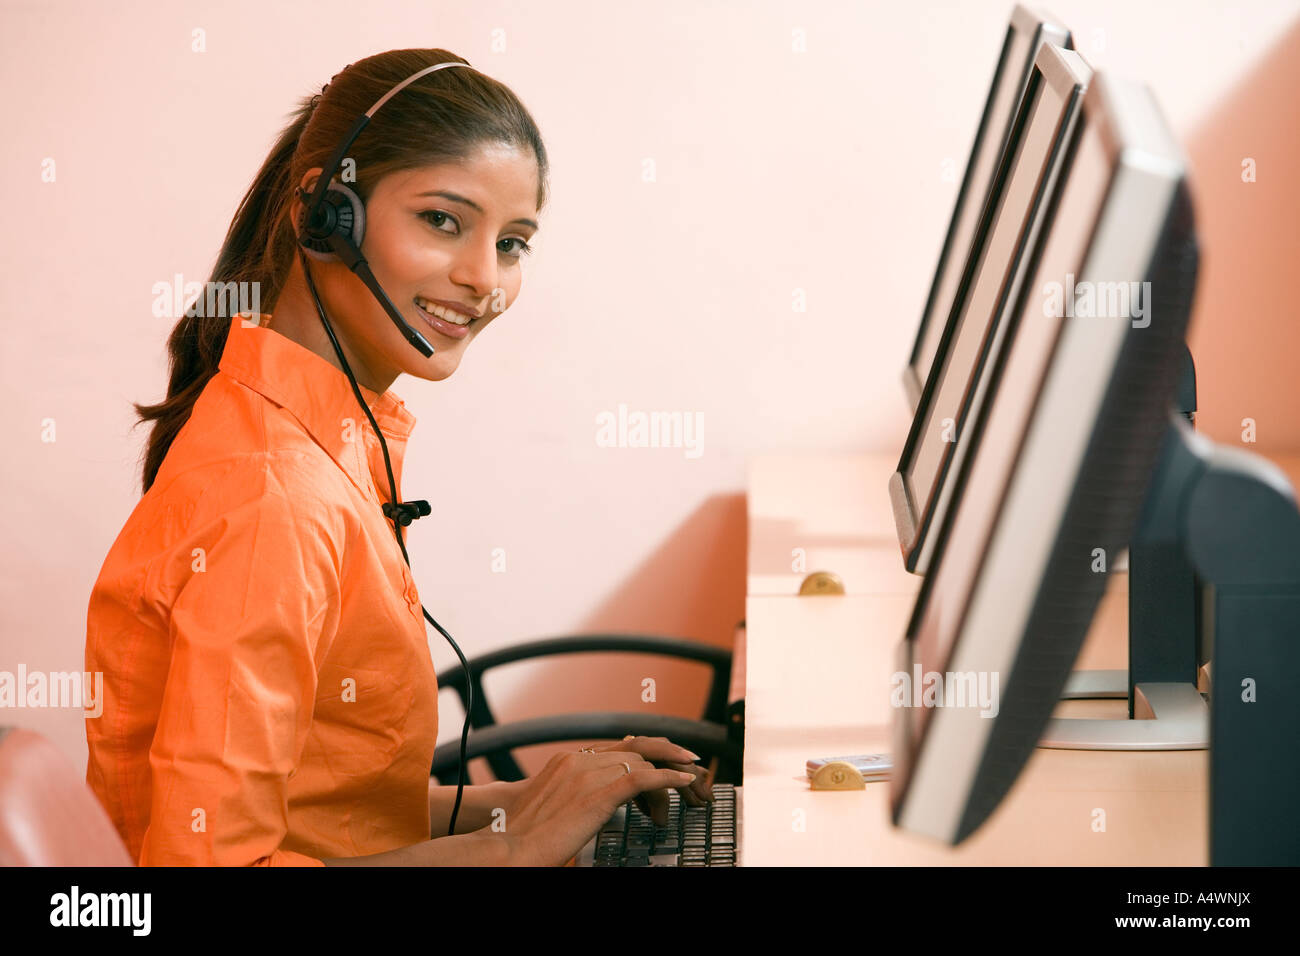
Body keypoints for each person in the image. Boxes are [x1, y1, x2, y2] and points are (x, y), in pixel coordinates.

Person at [84, 48, 712, 867]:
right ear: (325, 215)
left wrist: (528, 803)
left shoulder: (316, 437)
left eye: (514, 242)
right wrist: (514, 851)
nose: (483, 278)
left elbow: (326, 812)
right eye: (443, 221)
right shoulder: (277, 497)